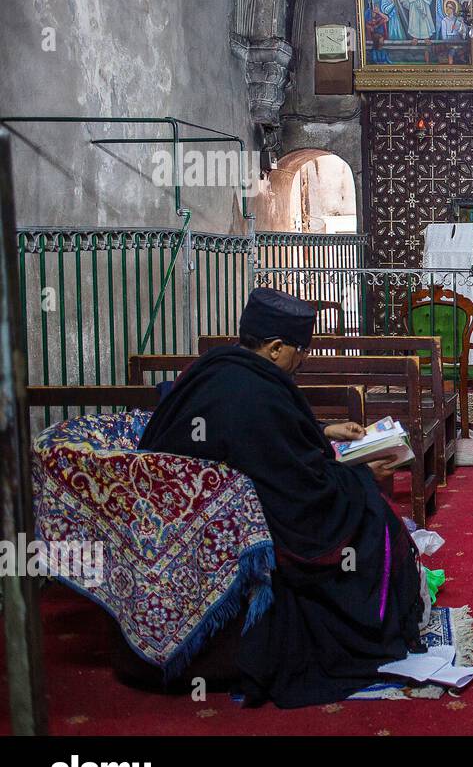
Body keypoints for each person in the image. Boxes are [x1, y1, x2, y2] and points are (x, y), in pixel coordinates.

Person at [140, 288, 427, 708]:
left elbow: (267, 448)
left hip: (173, 524)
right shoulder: (255, 395)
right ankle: (376, 624)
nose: (302, 361)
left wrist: (324, 431)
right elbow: (300, 493)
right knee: (370, 514)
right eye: (301, 351)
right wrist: (363, 476)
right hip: (237, 528)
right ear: (275, 348)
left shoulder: (215, 368)